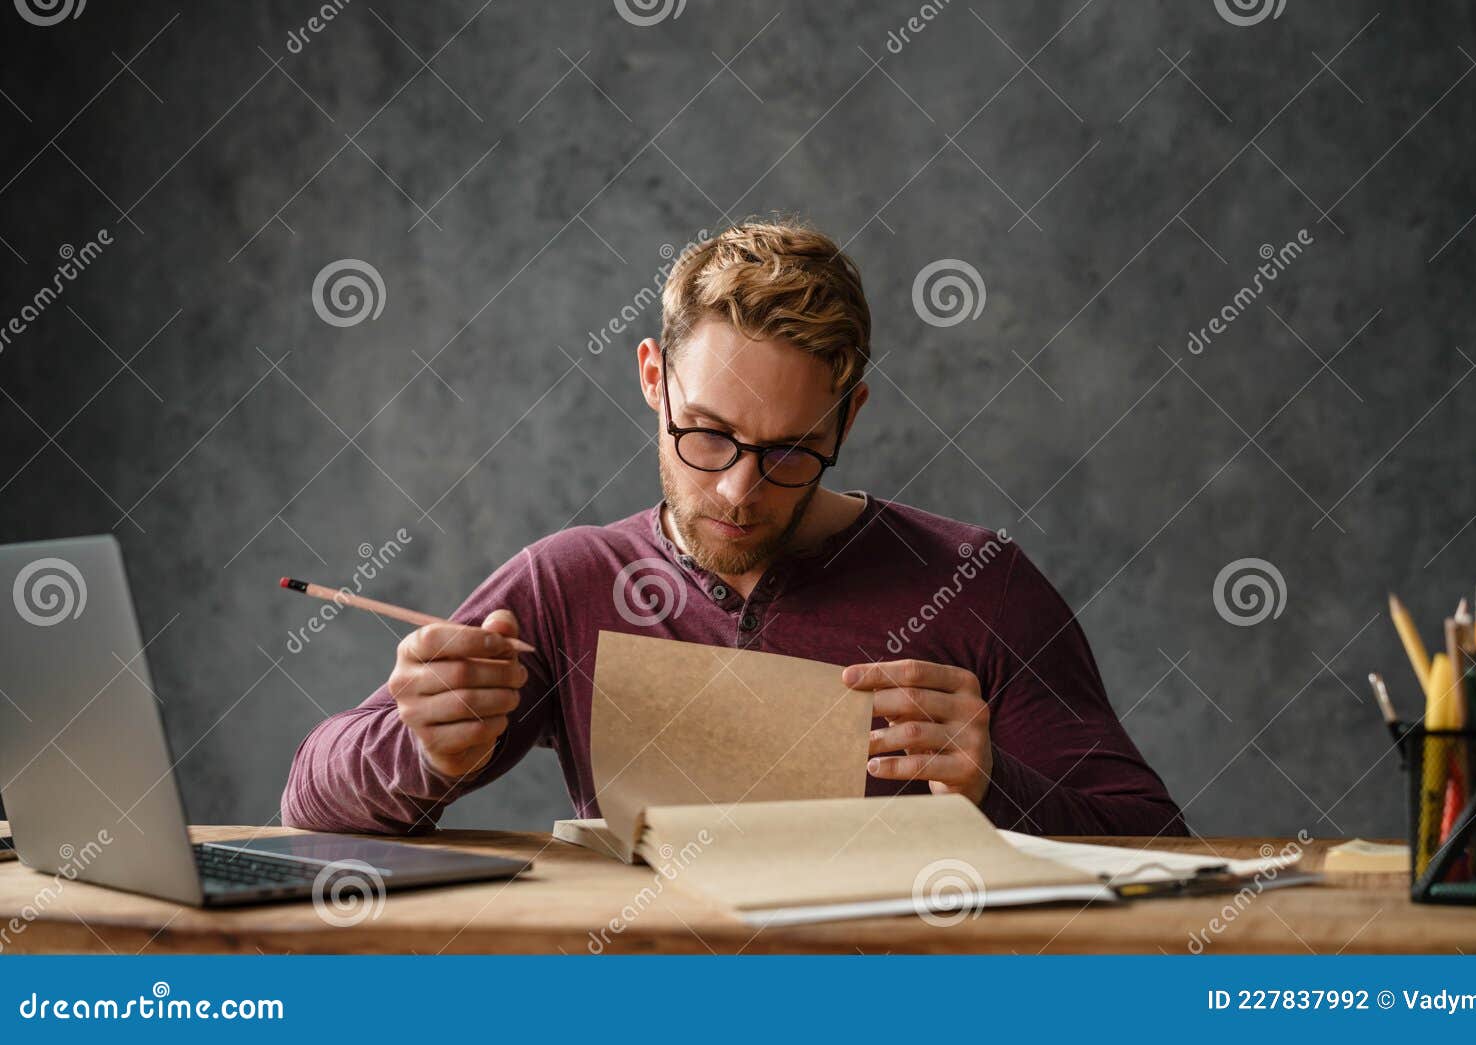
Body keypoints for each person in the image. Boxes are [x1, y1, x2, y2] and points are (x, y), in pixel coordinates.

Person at [282, 218, 1186, 838]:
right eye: (707, 434)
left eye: (791, 450)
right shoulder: (569, 585)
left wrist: (996, 786)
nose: (740, 491)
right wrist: (421, 747)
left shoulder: (975, 581)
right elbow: (309, 802)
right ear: (651, 376)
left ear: (848, 418)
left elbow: (1163, 845)